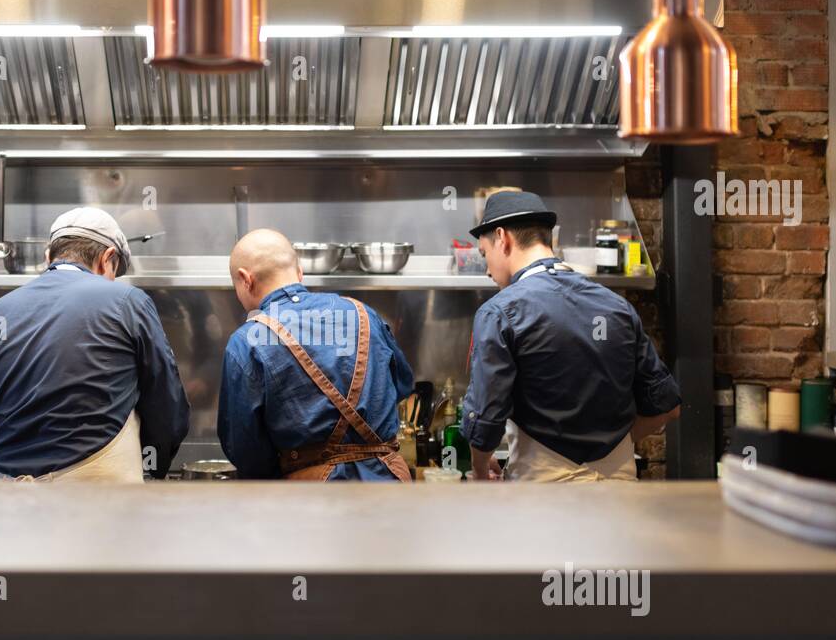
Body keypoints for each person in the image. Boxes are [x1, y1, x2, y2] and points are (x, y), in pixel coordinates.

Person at [0, 207, 189, 482]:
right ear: (107, 258)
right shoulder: (129, 303)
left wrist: (10, 475)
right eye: (114, 273)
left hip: (12, 502)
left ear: (48, 256)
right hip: (102, 497)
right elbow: (166, 407)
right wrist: (152, 467)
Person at [461, 190, 681, 482]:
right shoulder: (617, 307)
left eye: (484, 253)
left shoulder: (499, 312)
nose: (487, 269)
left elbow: (486, 421)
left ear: (502, 238)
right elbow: (667, 407)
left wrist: (480, 467)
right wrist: (616, 449)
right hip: (620, 491)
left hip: (543, 496)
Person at [217, 229, 414, 480]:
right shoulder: (365, 314)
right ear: (300, 273)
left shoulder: (246, 341)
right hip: (389, 488)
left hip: (310, 500)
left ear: (246, 280)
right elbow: (403, 386)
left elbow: (245, 449)